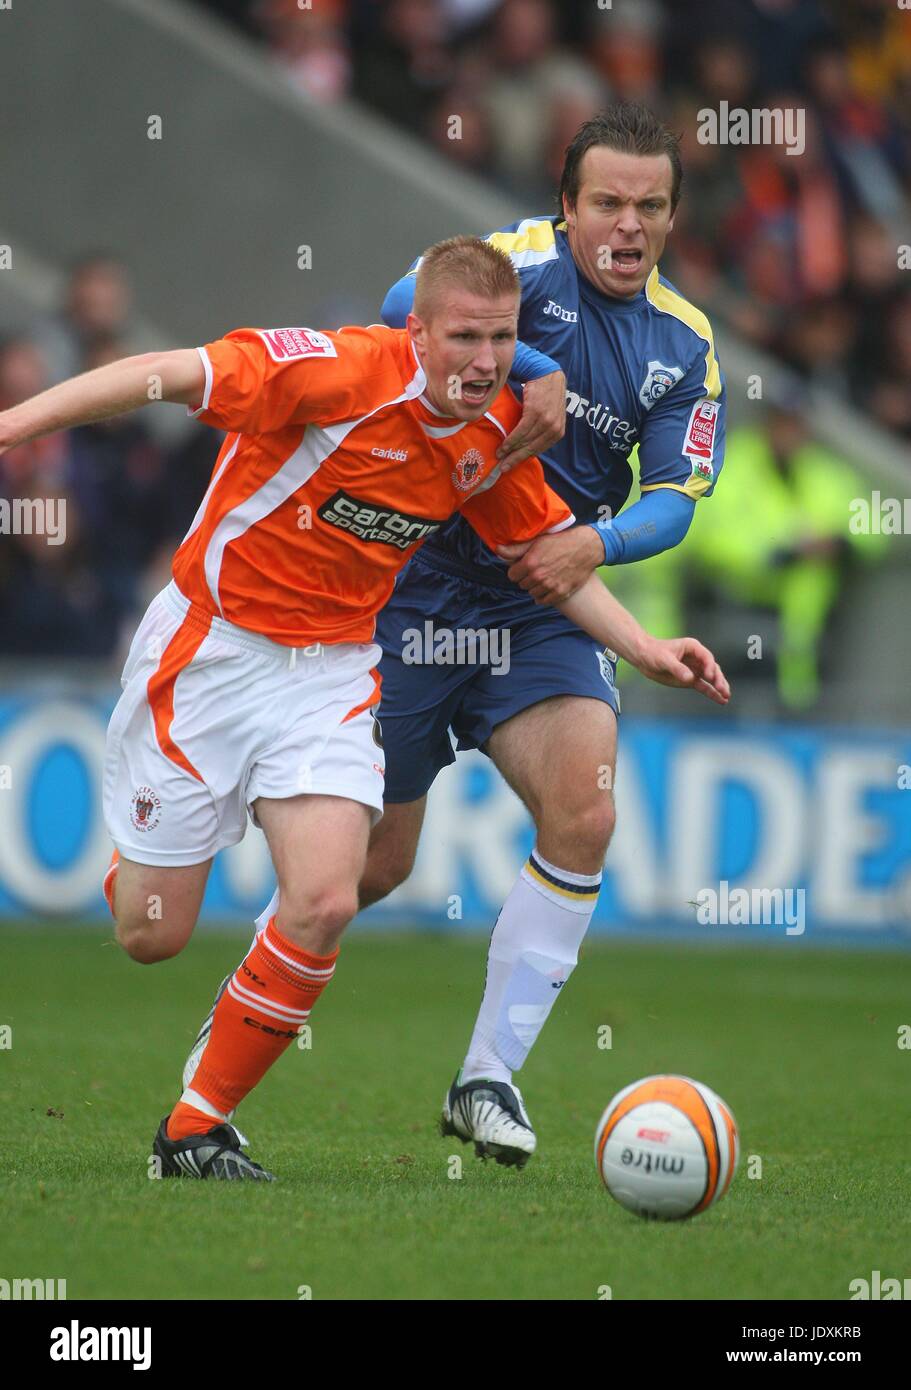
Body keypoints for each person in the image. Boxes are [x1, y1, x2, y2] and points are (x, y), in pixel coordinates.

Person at [0, 237, 728, 1181]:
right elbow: (160, 373)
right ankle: (150, 872)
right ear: (413, 330)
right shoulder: (334, 371)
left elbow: (546, 555)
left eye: (503, 341)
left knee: (331, 895)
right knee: (150, 932)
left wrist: (646, 650)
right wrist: (15, 424)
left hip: (333, 672)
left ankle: (196, 1125)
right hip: (210, 650)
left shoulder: (493, 430)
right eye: (462, 337)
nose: (484, 362)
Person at [258, 103, 729, 1169]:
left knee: (585, 810)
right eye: (604, 201)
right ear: (563, 207)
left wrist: (594, 547)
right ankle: (232, 1034)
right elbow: (396, 312)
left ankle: (485, 1078)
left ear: (670, 218)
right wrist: (527, 367)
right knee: (371, 867)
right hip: (414, 587)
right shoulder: (513, 266)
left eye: (648, 206)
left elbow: (673, 501)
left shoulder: (684, 345)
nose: (626, 224)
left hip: (540, 602)